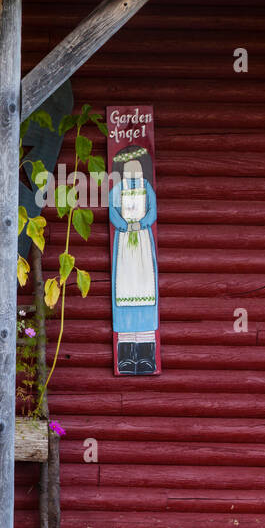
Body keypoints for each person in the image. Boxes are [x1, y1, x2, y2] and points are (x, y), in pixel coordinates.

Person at [107, 147, 159, 374]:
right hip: (125, 244)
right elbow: (113, 212)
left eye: (137, 168)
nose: (133, 172)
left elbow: (152, 211)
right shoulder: (117, 189)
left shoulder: (147, 189)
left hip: (143, 244)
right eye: (129, 169)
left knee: (145, 287)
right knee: (125, 290)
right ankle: (126, 355)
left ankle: (147, 355)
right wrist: (125, 226)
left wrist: (142, 223)